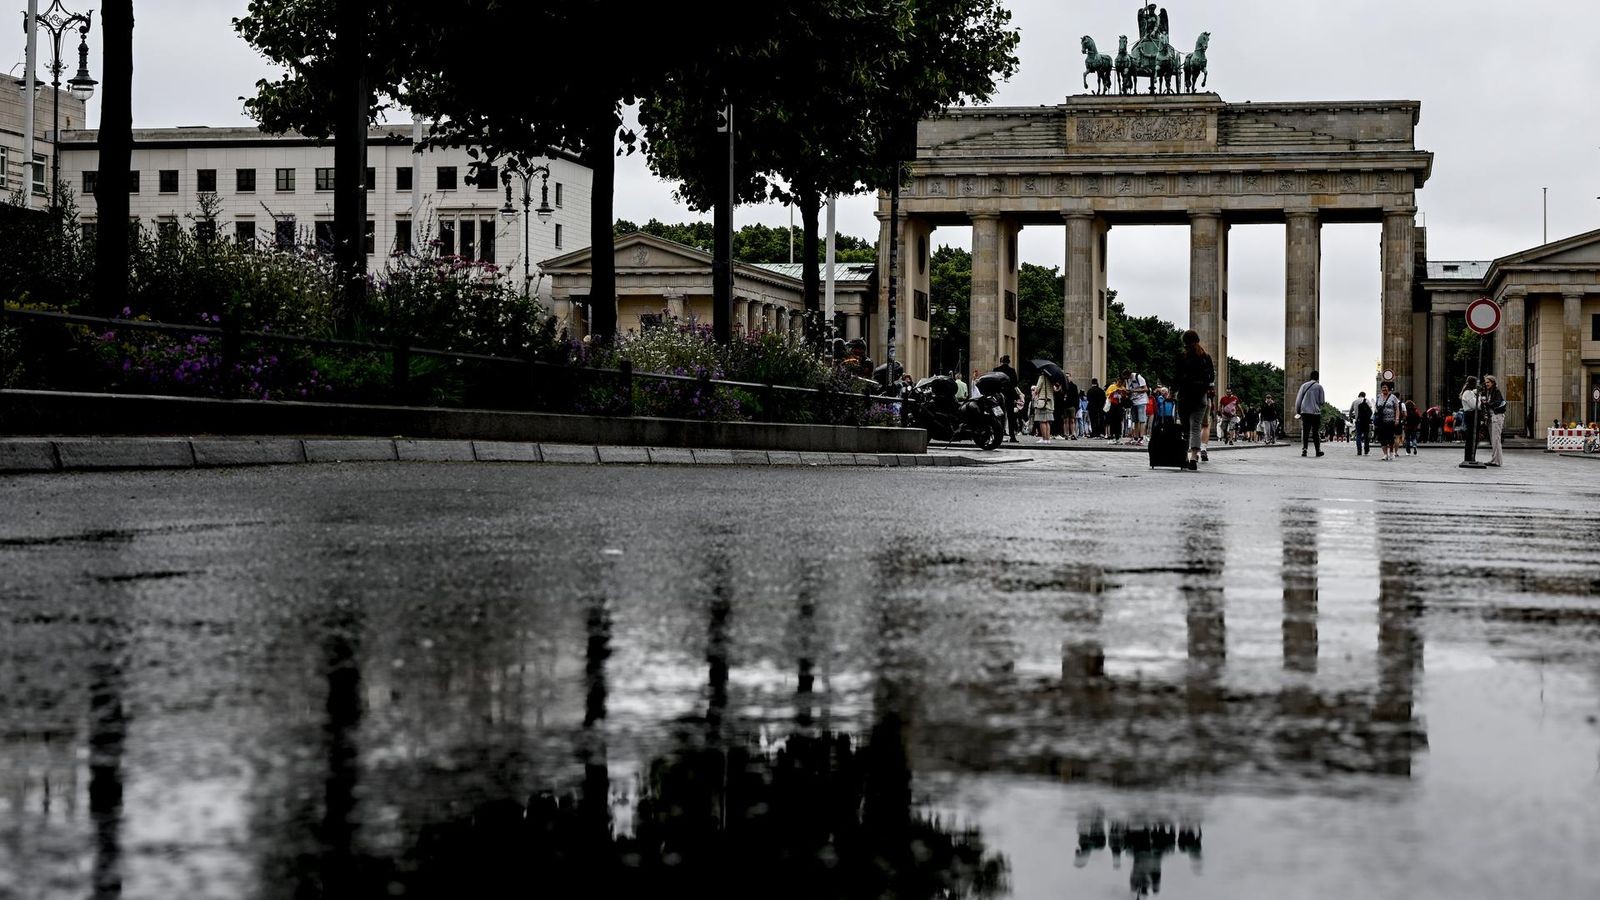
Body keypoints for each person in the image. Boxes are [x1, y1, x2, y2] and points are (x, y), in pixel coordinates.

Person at [1174, 330, 1214, 471]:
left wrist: (1174, 391)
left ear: (1184, 342)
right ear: (1197, 340)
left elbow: (1177, 377)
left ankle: (1183, 457)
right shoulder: (1205, 356)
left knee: (1185, 428)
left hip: (1185, 396)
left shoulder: (1181, 356)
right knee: (1196, 427)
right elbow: (1211, 378)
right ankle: (1193, 458)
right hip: (1200, 396)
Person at [1295, 370, 1326, 457]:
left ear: (1310, 377)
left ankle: (1304, 449)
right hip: (1315, 413)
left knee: (1306, 431)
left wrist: (1298, 411)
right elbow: (1322, 401)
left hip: (1305, 412)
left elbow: (1298, 400)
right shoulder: (1319, 387)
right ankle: (1317, 450)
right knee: (1315, 432)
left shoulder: (1304, 386)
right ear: (1318, 378)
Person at [995, 355, 1022, 442]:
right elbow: (1015, 384)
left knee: (999, 415)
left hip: (999, 396)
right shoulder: (1012, 371)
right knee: (1011, 417)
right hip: (1009, 396)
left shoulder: (996, 370)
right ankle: (1012, 436)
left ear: (1001, 361)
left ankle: (999, 434)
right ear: (1009, 361)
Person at [1373, 381, 1402, 461]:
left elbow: (1397, 409)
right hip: (1381, 421)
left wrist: (1397, 419)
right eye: (1383, 388)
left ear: (1388, 388)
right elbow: (1376, 407)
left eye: (1385, 387)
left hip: (1390, 420)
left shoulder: (1393, 397)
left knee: (1390, 437)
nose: (1384, 389)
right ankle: (1385, 454)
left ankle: (1392, 453)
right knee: (1382, 438)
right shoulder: (1379, 397)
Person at [1483, 375, 1506, 466]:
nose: (1486, 384)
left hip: (1497, 416)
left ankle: (1497, 461)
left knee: (1496, 439)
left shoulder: (1496, 391)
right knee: (1494, 439)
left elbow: (1497, 403)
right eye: (1486, 382)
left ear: (1492, 382)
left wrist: (1487, 403)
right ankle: (1495, 459)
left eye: (1488, 382)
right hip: (1493, 417)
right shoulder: (1490, 392)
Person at [1123, 370, 1150, 445]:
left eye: (1127, 377)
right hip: (1133, 401)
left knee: (1142, 420)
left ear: (1129, 374)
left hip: (1141, 400)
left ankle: (1141, 438)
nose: (1126, 379)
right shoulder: (1127, 379)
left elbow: (1145, 389)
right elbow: (1129, 389)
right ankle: (1135, 437)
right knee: (1135, 420)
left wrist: (1134, 390)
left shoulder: (1138, 377)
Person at [1460, 376, 1481, 464]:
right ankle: (1469, 457)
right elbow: (1475, 405)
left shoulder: (1470, 392)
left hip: (1472, 415)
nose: (1478, 385)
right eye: (1477, 383)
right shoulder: (1468, 393)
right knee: (1471, 438)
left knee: (1474, 438)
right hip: (1471, 415)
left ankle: (1471, 457)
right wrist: (1479, 398)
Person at [1032, 369, 1056, 442]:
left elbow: (1038, 388)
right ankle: (1048, 439)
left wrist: (1035, 392)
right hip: (1050, 402)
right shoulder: (1052, 378)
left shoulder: (1042, 377)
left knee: (1042, 421)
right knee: (1047, 421)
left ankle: (1044, 438)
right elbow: (1054, 389)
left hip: (1043, 401)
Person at [1350, 392, 1372, 456]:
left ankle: (1359, 451)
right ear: (1364, 396)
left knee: (1358, 435)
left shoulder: (1354, 401)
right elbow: (1370, 410)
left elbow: (1351, 411)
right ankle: (1366, 450)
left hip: (1358, 420)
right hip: (1365, 421)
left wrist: (1350, 418)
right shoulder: (1367, 401)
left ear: (1358, 395)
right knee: (1366, 435)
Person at [1062, 374, 1082, 439]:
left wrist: (1076, 406)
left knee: (1072, 420)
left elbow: (1076, 397)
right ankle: (1067, 434)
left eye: (1068, 376)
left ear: (1070, 377)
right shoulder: (1063, 386)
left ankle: (1073, 433)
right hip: (1065, 406)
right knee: (1066, 421)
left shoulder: (1073, 386)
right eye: (1066, 377)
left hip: (1071, 406)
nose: (1067, 378)